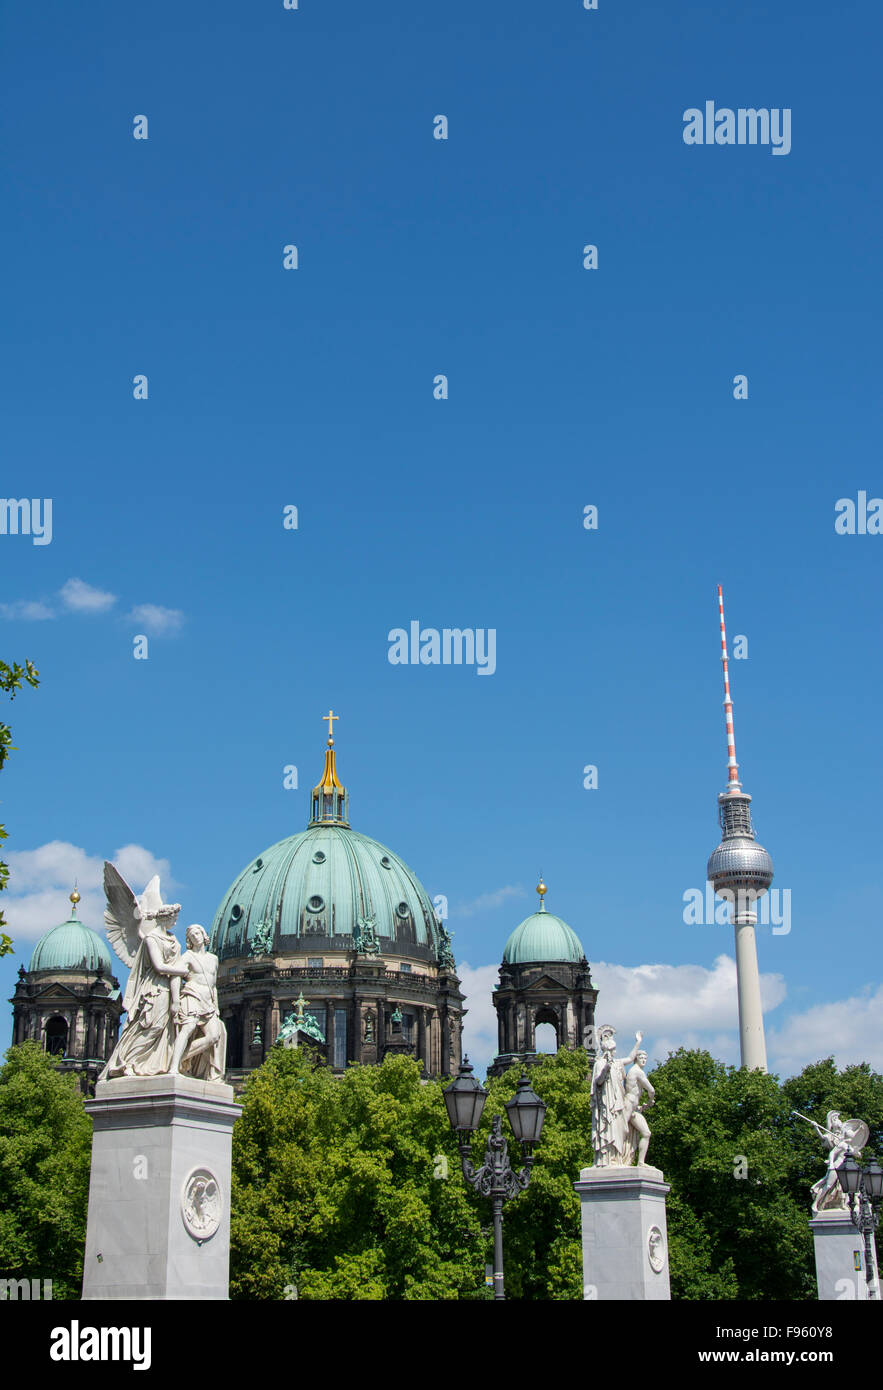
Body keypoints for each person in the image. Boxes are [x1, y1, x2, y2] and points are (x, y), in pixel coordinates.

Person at [167, 925, 227, 1082]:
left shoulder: (213, 959)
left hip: (208, 1002)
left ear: (204, 934)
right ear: (189, 940)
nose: (196, 936)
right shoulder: (187, 956)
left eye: (198, 933)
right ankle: (173, 1066)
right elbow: (175, 976)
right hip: (192, 995)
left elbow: (213, 985)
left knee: (214, 1036)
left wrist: (216, 1006)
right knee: (188, 1028)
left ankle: (180, 1058)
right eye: (192, 935)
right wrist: (175, 1000)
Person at [591, 1027, 643, 1166]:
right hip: (606, 1105)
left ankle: (617, 1157)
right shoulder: (600, 1064)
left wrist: (638, 1042)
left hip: (618, 1103)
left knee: (621, 1130)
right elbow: (598, 1082)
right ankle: (607, 1158)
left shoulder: (617, 1063)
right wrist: (606, 1069)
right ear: (608, 1050)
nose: (615, 1052)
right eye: (613, 1050)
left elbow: (631, 1058)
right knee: (609, 1129)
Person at [623, 1049, 655, 1166]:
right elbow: (651, 1090)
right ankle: (615, 1157)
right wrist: (650, 1100)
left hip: (633, 1107)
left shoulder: (634, 1071)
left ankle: (641, 1162)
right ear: (636, 1058)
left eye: (645, 1058)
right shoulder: (637, 1071)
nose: (643, 1060)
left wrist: (641, 1106)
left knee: (646, 1133)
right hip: (629, 1105)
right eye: (641, 1058)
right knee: (622, 1132)